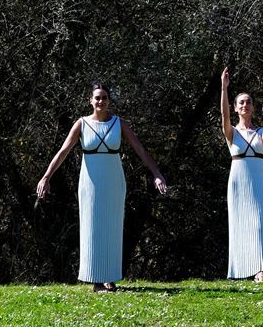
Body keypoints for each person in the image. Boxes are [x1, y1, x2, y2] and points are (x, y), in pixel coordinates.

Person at [36, 83, 168, 292]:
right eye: (97, 98)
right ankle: (97, 281)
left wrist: (157, 174)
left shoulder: (119, 124)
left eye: (104, 97)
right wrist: (46, 177)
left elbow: (140, 150)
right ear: (90, 100)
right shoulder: (81, 124)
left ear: (109, 101)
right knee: (92, 228)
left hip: (114, 182)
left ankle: (110, 278)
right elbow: (63, 151)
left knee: (113, 228)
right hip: (89, 182)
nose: (101, 101)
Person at [220, 67, 263, 282]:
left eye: (248, 102)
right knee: (240, 225)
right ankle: (241, 270)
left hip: (258, 181)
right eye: (241, 103)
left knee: (260, 224)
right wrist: (224, 88)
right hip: (238, 181)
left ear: (253, 107)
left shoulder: (259, 132)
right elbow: (223, 115)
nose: (245, 105)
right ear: (236, 108)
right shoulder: (232, 132)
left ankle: (261, 270)